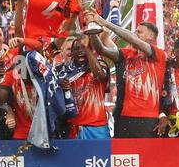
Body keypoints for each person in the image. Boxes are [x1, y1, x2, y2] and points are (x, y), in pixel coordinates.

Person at [87, 11, 168, 139]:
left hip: (148, 118)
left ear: (151, 36)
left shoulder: (158, 54)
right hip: (125, 116)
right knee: (124, 155)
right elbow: (101, 50)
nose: (136, 34)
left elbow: (131, 39)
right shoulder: (126, 54)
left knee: (145, 157)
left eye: (139, 32)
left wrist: (103, 22)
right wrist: (92, 30)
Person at [56, 34, 112, 139]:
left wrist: (87, 49)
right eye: (77, 48)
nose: (81, 51)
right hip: (73, 128)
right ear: (72, 53)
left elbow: (101, 75)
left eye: (84, 48)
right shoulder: (61, 72)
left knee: (101, 155)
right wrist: (64, 89)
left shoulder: (100, 65)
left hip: (97, 127)